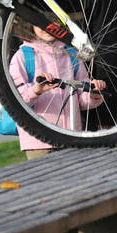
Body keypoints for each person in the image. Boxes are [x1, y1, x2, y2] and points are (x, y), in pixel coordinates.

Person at [9, 23, 105, 158]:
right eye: (41, 23)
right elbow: (13, 98)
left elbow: (81, 100)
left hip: (71, 136)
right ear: (30, 26)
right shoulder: (23, 56)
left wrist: (93, 94)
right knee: (44, 178)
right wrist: (36, 90)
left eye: (53, 23)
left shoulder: (72, 54)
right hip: (39, 141)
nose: (47, 28)